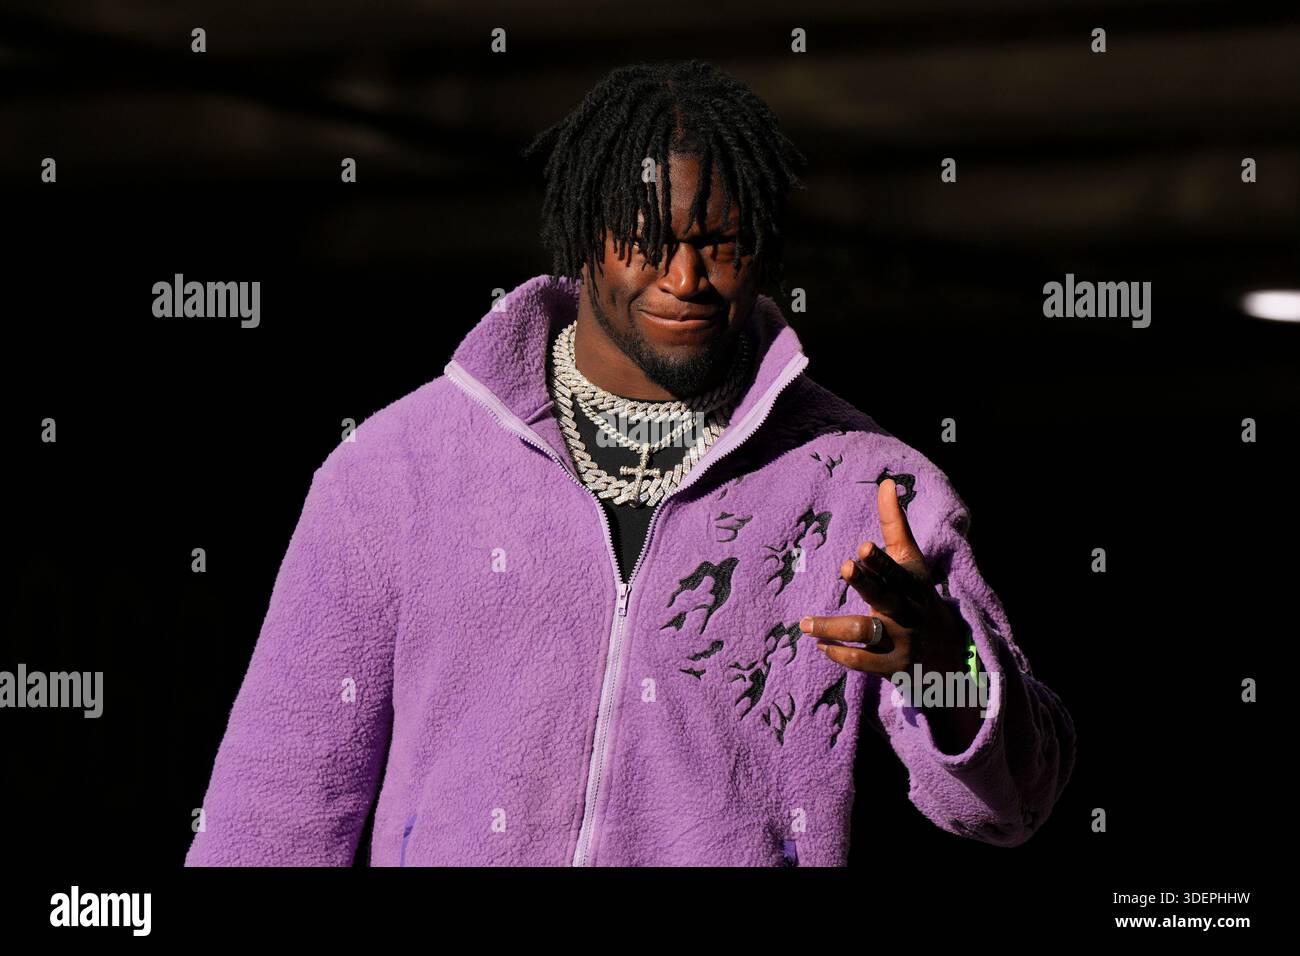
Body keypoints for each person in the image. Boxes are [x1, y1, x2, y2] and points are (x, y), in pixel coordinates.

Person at [185, 60, 1075, 867]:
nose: (685, 277)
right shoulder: (394, 472)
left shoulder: (864, 491)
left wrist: (945, 669)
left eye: (721, 244)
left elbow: (1010, 808)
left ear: (763, 250)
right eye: (646, 237)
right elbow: (273, 812)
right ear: (582, 235)